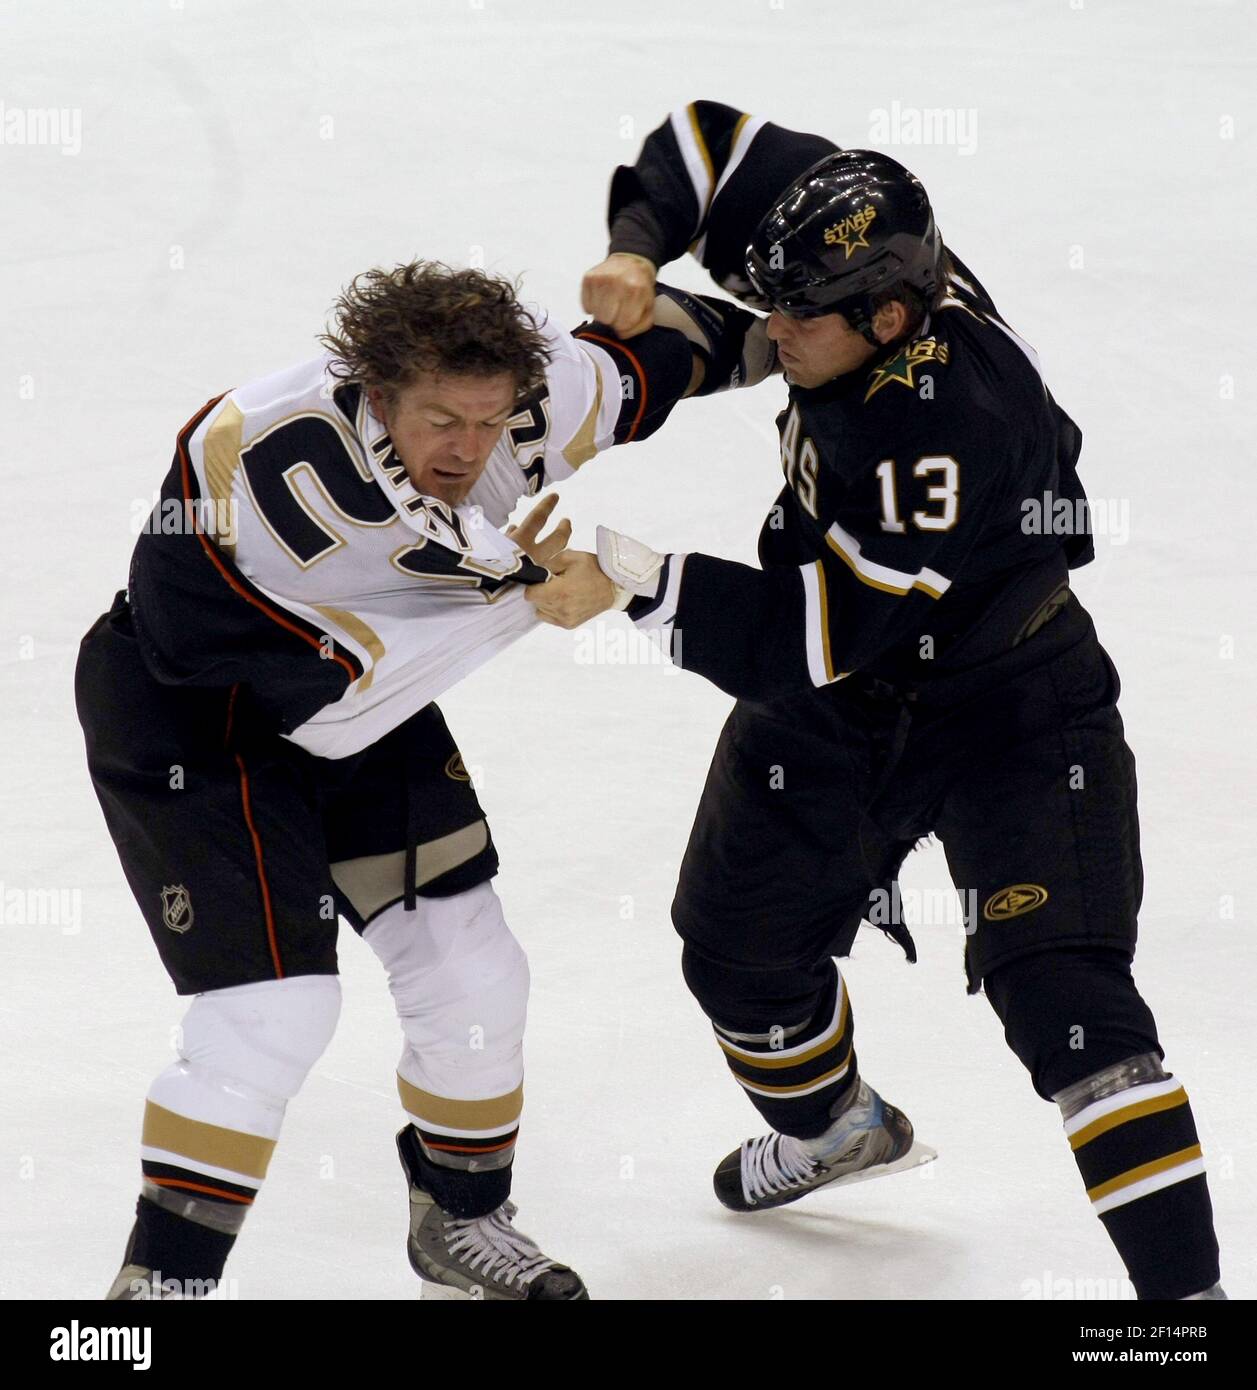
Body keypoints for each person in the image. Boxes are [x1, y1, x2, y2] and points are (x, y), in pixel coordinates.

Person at [529, 102, 1226, 1301]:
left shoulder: (949, 429)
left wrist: (628, 582)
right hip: (849, 703)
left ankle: (1188, 1309)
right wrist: (638, 250)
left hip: (1013, 704)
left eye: (797, 317)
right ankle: (839, 1132)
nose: (775, 327)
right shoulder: (855, 241)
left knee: (1072, 1013)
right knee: (737, 959)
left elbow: (810, 637)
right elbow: (706, 142)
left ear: (888, 320)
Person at [75, 259, 773, 1301]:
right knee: (274, 1010)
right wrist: (526, 594)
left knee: (476, 972)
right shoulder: (278, 464)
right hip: (198, 710)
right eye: (441, 420)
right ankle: (160, 1288)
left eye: (489, 423)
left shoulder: (519, 403)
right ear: (376, 389)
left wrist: (806, 333)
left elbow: (662, 360)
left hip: (373, 682)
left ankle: (463, 1220)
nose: (468, 449)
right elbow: (336, 709)